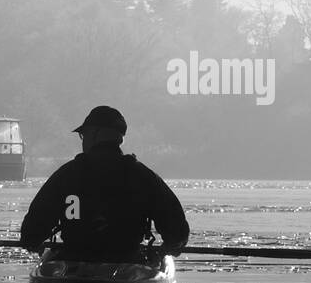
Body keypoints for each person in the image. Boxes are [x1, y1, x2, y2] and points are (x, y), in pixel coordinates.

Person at [19, 106, 189, 262]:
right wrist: (169, 247)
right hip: (126, 260)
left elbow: (31, 230)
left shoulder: (67, 174)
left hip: (75, 258)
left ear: (95, 134)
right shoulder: (142, 176)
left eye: (83, 135)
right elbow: (177, 231)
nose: (83, 140)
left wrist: (33, 242)